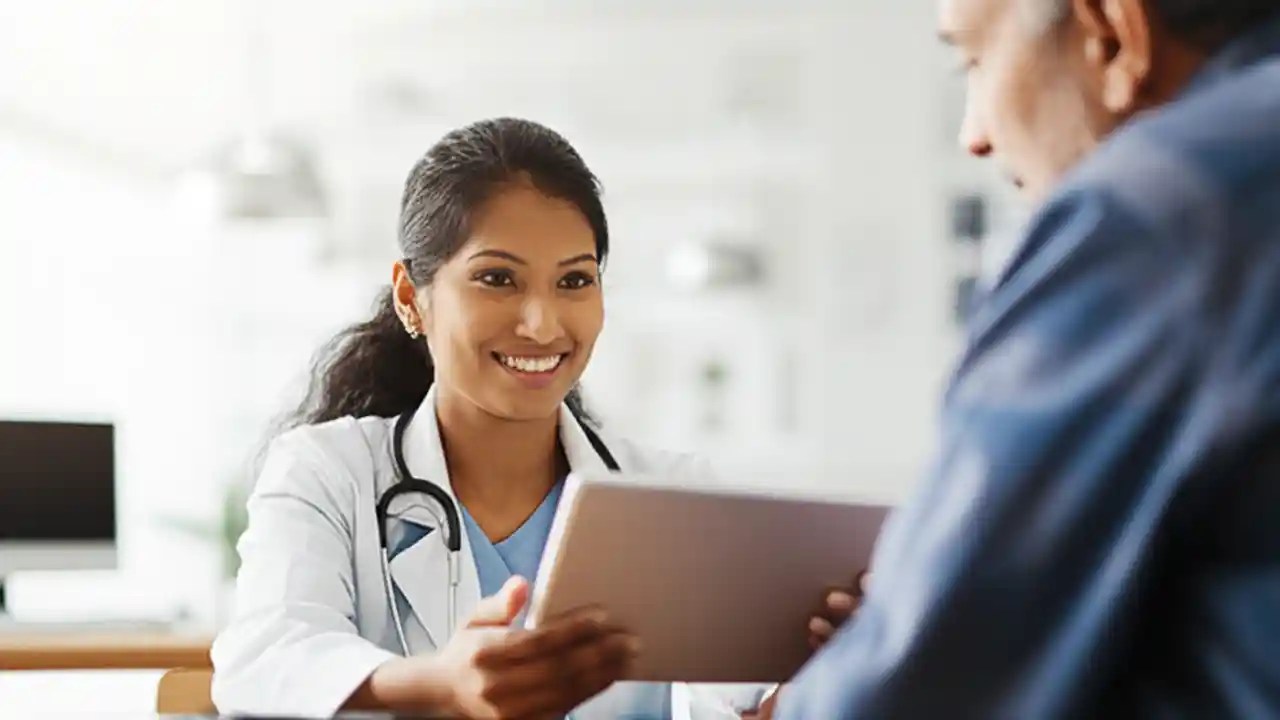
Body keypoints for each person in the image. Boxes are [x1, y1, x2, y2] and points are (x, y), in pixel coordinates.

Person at [210, 117, 840, 719]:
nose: (541, 324)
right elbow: (264, 657)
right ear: (411, 298)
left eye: (574, 282)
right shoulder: (329, 473)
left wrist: (821, 673)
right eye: (497, 279)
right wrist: (440, 683)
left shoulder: (678, 494)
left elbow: (735, 701)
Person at [775, 0, 1280, 717]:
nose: (973, 135)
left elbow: (920, 693)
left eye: (975, 62)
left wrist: (864, 664)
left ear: (1112, 34)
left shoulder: (1158, 209)